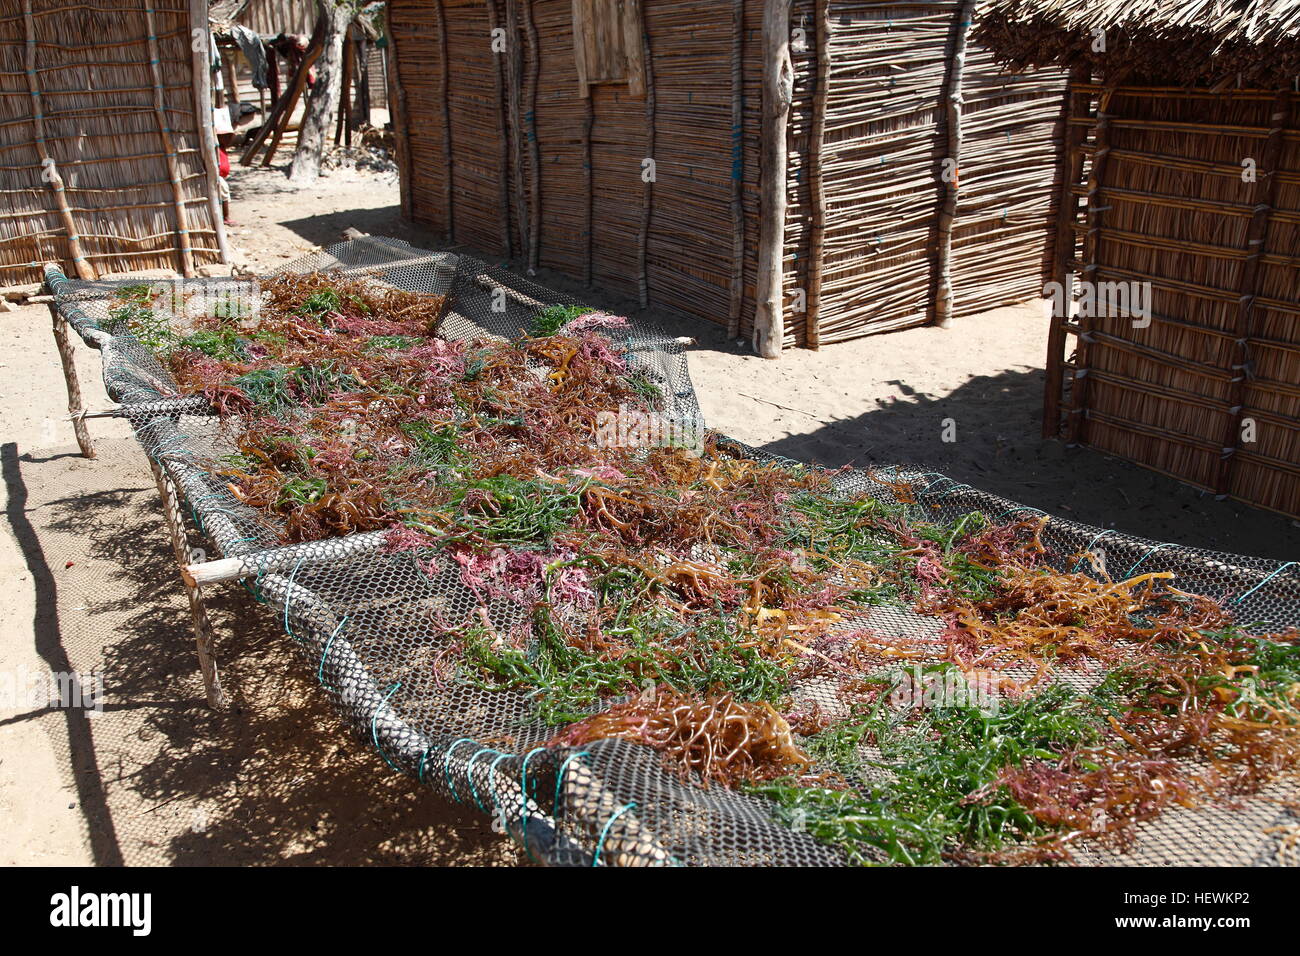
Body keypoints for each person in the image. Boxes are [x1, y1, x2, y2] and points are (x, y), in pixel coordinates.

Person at [213, 106, 237, 227]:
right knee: (224, 192)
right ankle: (226, 217)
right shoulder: (215, 147)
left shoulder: (222, 147)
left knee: (222, 194)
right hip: (217, 175)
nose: (228, 138)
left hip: (221, 175)